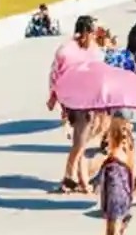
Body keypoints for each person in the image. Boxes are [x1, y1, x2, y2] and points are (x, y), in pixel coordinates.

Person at [48, 16, 105, 194]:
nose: (94, 36)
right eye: (92, 33)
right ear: (85, 33)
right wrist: (53, 96)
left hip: (88, 101)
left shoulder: (95, 52)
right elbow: (54, 74)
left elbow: (100, 76)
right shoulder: (66, 51)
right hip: (73, 102)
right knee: (80, 143)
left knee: (81, 140)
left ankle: (83, 180)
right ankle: (68, 178)